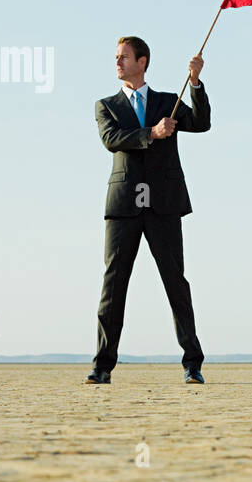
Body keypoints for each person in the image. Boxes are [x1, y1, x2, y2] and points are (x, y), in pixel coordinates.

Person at [86, 36, 210, 385]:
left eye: (123, 57)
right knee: (114, 286)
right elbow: (112, 139)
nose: (117, 63)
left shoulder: (169, 102)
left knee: (176, 284)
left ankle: (192, 364)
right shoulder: (106, 105)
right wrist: (152, 134)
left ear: (143, 61)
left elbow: (201, 123)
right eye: (116, 57)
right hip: (124, 205)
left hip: (164, 204)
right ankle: (102, 366)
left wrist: (196, 82)